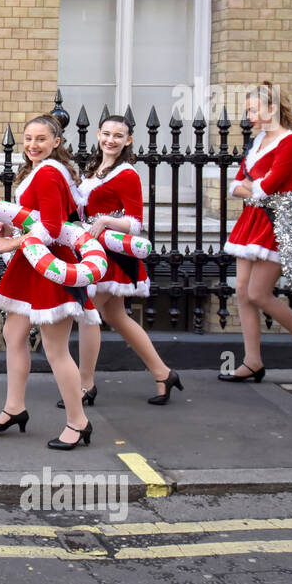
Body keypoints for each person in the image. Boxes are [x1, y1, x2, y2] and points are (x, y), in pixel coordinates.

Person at [0, 114, 99, 450]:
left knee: (55, 349)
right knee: (12, 333)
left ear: (56, 142)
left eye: (41, 139)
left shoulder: (48, 172)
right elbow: (37, 222)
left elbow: (49, 227)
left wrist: (10, 243)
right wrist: (12, 230)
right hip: (35, 265)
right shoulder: (44, 170)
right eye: (29, 138)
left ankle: (79, 422)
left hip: (52, 267)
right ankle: (14, 408)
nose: (33, 145)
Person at [219, 82, 292, 384]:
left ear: (273, 108)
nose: (249, 115)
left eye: (254, 110)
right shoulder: (258, 142)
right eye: (248, 110)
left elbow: (271, 185)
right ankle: (252, 361)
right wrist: (252, 188)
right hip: (252, 220)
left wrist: (252, 189)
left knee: (258, 292)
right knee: (242, 291)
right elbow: (236, 184)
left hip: (278, 222)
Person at [68, 114, 183, 406]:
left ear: (128, 140)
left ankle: (85, 385)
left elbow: (135, 223)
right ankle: (163, 373)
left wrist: (105, 220)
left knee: (88, 313)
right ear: (98, 134)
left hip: (113, 256)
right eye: (106, 133)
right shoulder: (94, 168)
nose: (111, 140)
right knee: (116, 316)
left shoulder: (128, 173)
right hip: (94, 250)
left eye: (118, 136)